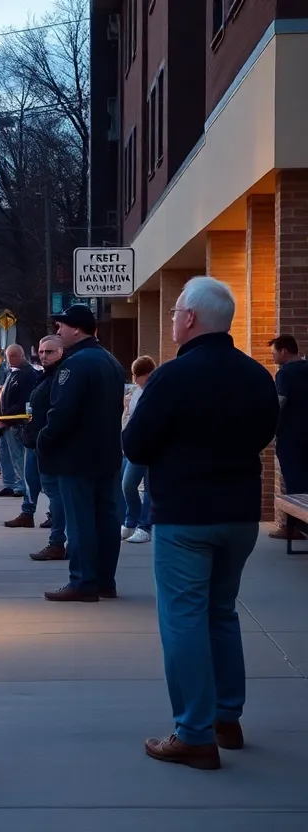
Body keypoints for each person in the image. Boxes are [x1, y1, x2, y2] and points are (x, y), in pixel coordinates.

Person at [123, 276, 279, 770]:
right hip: (239, 514)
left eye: (174, 313)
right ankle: (226, 718)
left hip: (185, 517)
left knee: (184, 619)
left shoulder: (172, 377)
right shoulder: (256, 375)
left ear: (190, 318)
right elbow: (262, 434)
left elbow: (136, 446)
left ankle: (193, 732)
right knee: (221, 612)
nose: (171, 319)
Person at [36, 304, 126, 602]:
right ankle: (104, 581)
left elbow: (62, 412)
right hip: (108, 453)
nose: (58, 330)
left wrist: (44, 439)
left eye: (62, 325)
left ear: (77, 328)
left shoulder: (75, 365)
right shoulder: (111, 361)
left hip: (77, 457)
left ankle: (83, 581)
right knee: (106, 518)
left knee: (80, 521)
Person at [19, 336, 68, 561]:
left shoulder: (60, 377)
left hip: (48, 444)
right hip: (36, 441)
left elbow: (57, 413)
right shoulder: (45, 376)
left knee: (54, 492)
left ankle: (57, 541)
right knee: (37, 484)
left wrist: (44, 437)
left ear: (61, 352)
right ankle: (54, 535)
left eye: (49, 352)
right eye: (41, 351)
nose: (44, 356)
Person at [268, 335, 308, 540]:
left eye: (274, 352)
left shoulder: (285, 374)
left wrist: (270, 429)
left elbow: (280, 402)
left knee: (293, 481)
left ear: (284, 351)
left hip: (291, 436)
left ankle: (293, 528)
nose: (273, 356)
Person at [121, 355, 158, 544]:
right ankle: (132, 520)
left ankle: (145, 526)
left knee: (148, 488)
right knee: (127, 485)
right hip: (134, 446)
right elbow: (129, 419)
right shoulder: (136, 392)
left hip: (149, 447)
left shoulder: (156, 391)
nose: (135, 379)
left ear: (149, 374)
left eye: (139, 375)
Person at [0, 345, 38, 498]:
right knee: (4, 453)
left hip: (15, 423)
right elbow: (5, 399)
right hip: (6, 423)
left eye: (14, 355)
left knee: (16, 456)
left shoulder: (27, 374)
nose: (11, 359)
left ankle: (20, 486)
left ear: (22, 355)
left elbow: (24, 401)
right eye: (9, 356)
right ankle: (9, 484)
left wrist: (7, 418)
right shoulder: (13, 373)